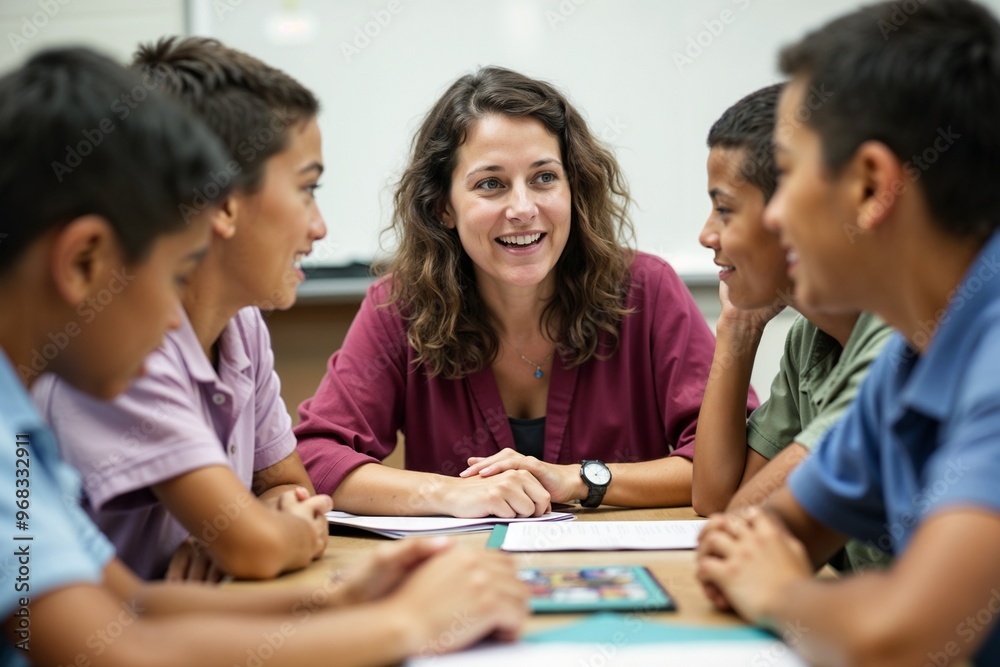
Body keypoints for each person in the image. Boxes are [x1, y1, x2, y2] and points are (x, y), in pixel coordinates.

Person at [0, 46, 527, 667]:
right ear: (85, 262)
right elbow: (113, 650)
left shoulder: (19, 426)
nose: (175, 318)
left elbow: (127, 604)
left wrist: (343, 602)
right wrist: (405, 623)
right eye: (175, 276)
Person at [295, 66, 755, 517]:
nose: (522, 208)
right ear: (443, 208)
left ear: (575, 187)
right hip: (463, 582)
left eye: (544, 178)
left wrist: (580, 479)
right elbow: (316, 459)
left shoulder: (646, 290)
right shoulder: (399, 307)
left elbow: (731, 457)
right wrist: (451, 494)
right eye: (490, 184)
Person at [695, 0, 1000, 664]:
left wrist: (777, 593)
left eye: (790, 172)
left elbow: (906, 637)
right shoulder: (914, 354)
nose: (773, 215)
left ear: (870, 186)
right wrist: (765, 569)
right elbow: (753, 534)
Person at [31, 37, 332, 582]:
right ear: (223, 203)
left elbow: (290, 491)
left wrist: (268, 517)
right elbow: (256, 549)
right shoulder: (119, 344)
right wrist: (262, 533)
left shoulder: (241, 324)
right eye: (306, 189)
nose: (320, 227)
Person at [691, 84, 893, 570]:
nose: (706, 234)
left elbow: (742, 530)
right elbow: (716, 499)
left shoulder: (899, 335)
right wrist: (737, 330)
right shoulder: (811, 338)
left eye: (725, 209)